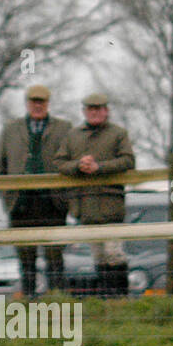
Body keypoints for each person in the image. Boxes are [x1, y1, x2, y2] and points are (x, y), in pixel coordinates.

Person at [53, 92, 135, 297]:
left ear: (106, 111)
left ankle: (120, 298)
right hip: (85, 205)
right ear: (84, 111)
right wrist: (78, 166)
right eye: (90, 109)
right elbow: (60, 162)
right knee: (98, 255)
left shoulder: (118, 133)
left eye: (98, 109)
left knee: (114, 253)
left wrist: (100, 167)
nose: (95, 113)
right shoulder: (73, 135)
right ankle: (106, 299)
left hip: (111, 205)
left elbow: (128, 161)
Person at [0, 84, 72, 296]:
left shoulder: (64, 128)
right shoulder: (11, 129)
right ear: (27, 103)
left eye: (41, 102)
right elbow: (0, 165)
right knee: (26, 257)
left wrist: (64, 198)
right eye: (33, 102)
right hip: (21, 203)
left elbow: (69, 160)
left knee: (55, 257)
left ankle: (57, 300)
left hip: (52, 202)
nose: (37, 106)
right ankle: (29, 300)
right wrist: (7, 196)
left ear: (48, 103)